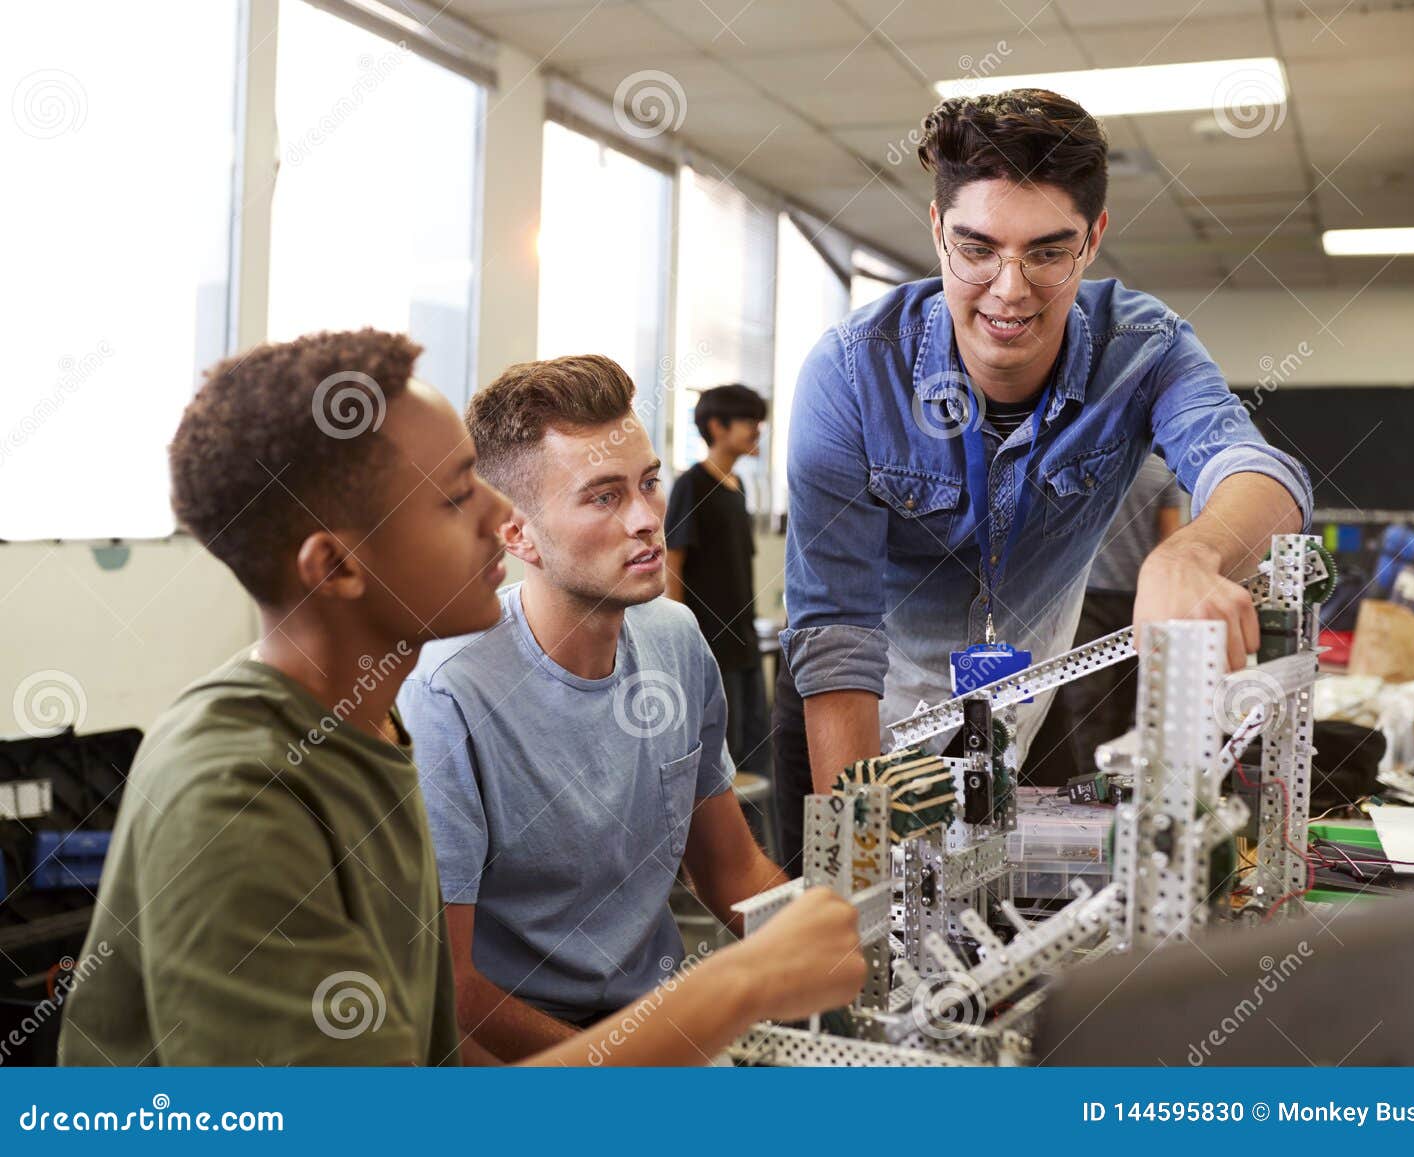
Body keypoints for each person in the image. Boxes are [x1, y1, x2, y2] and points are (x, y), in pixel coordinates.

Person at [57, 331, 864, 1066]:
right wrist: (733, 990)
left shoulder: (371, 728)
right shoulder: (237, 794)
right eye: (455, 497)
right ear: (337, 566)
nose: (500, 517)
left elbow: (429, 1055)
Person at [774, 89, 1313, 871]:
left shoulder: (1142, 350)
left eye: (1047, 252)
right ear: (937, 230)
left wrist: (1190, 555)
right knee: (848, 951)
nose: (1009, 288)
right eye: (978, 248)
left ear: (1093, 240)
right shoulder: (854, 373)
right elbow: (837, 637)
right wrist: (862, 873)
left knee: (1003, 927)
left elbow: (1259, 471)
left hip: (1014, 712)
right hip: (854, 710)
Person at [399, 356, 791, 1061]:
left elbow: (729, 870)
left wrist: (832, 942)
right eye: (604, 497)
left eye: (648, 483)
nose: (646, 520)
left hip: (662, 1014)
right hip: (525, 1052)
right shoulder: (449, 691)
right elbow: (450, 985)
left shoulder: (675, 638)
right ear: (516, 533)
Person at [1021, 454, 1184, 783]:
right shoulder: (1090, 462)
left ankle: (1112, 787)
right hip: (1093, 598)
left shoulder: (1090, 463)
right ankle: (1091, 787)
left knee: (1111, 703)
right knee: (1094, 702)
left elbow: (1170, 541)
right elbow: (1171, 542)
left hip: (1134, 601)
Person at [665, 384, 772, 777]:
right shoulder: (691, 483)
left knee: (757, 751)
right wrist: (680, 638)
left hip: (744, 641)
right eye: (748, 421)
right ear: (717, 425)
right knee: (722, 760)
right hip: (710, 644)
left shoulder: (738, 487)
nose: (757, 429)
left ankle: (756, 839)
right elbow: (673, 562)